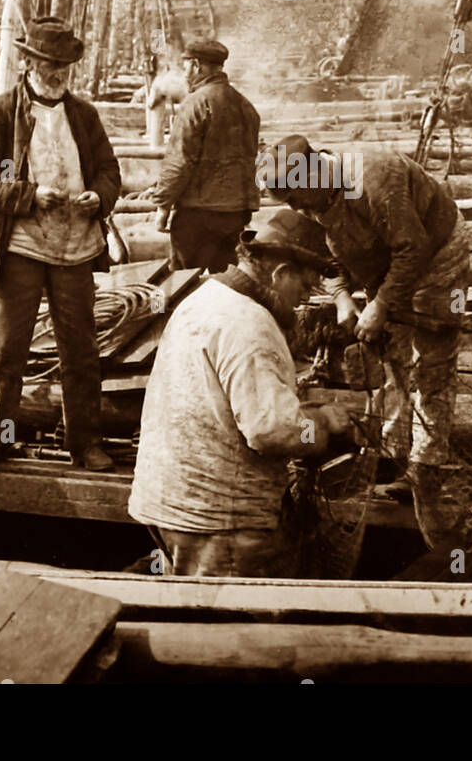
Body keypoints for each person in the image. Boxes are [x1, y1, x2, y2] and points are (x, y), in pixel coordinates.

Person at [262, 134, 470, 550]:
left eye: (300, 199)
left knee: (431, 358)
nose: (300, 210)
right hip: (382, 261)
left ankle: (426, 466)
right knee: (390, 353)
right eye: (292, 204)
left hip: (436, 250)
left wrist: (380, 304)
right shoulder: (311, 198)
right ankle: (393, 455)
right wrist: (344, 300)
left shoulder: (375, 177)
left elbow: (413, 249)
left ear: (318, 170)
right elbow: (331, 261)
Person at [128, 208, 353, 577]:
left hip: (169, 500)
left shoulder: (202, 299)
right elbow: (271, 431)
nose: (303, 301)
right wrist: (323, 421)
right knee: (234, 623)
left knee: (188, 604)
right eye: (305, 288)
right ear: (281, 274)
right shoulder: (251, 324)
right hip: (217, 516)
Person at [0, 16, 122, 471]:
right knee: (8, 347)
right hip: (20, 247)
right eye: (50, 64)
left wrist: (101, 195)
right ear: (27, 61)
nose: (59, 73)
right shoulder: (1, 111)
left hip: (76, 247)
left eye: (65, 65)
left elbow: (109, 170)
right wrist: (29, 196)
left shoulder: (84, 114)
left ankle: (85, 443)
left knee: (81, 350)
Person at [149, 35, 261, 274]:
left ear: (196, 65)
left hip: (198, 215)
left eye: (186, 64)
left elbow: (179, 162)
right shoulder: (246, 106)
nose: (185, 71)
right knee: (226, 281)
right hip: (236, 213)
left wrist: (162, 205)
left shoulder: (195, 104)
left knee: (185, 280)